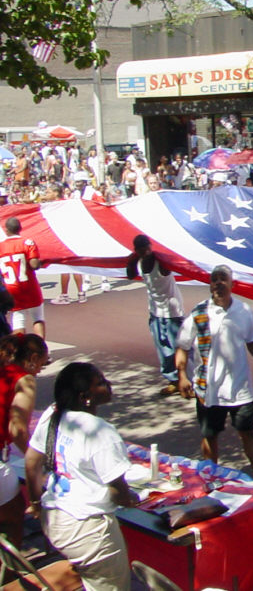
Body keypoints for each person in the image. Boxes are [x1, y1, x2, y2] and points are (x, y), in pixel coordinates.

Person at [25, 362, 138, 590]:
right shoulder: (99, 431)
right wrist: (131, 499)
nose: (108, 385)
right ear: (85, 396)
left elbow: (31, 462)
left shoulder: (53, 415)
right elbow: (118, 492)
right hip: (89, 531)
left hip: (55, 521)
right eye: (101, 383)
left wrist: (36, 503)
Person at [175, 264, 253, 480]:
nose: (218, 283)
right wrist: (182, 376)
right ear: (210, 284)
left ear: (232, 284)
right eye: (214, 279)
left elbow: (252, 340)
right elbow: (183, 345)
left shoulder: (244, 311)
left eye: (223, 279)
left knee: (247, 432)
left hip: (239, 388)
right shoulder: (199, 312)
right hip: (208, 389)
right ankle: (210, 476)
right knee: (209, 434)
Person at [0, 334, 47, 546]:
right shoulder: (25, 380)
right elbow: (17, 429)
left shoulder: (4, 370)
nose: (38, 371)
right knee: (14, 515)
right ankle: (10, 566)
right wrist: (35, 459)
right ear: (33, 358)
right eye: (41, 365)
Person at [127, 234, 188, 396]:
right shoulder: (139, 262)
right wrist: (132, 260)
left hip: (172, 312)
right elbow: (130, 275)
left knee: (179, 347)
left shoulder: (161, 263)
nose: (146, 252)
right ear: (137, 250)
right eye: (142, 250)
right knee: (163, 349)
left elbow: (178, 263)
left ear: (151, 246)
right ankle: (173, 381)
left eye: (147, 248)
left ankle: (187, 380)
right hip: (156, 311)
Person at [0, 217, 46, 337]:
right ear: (20, 228)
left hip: (11, 287)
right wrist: (40, 263)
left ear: (6, 230)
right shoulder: (27, 243)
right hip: (29, 285)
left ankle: (19, 347)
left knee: (18, 319)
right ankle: (41, 346)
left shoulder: (1, 246)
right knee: (38, 318)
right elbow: (34, 265)